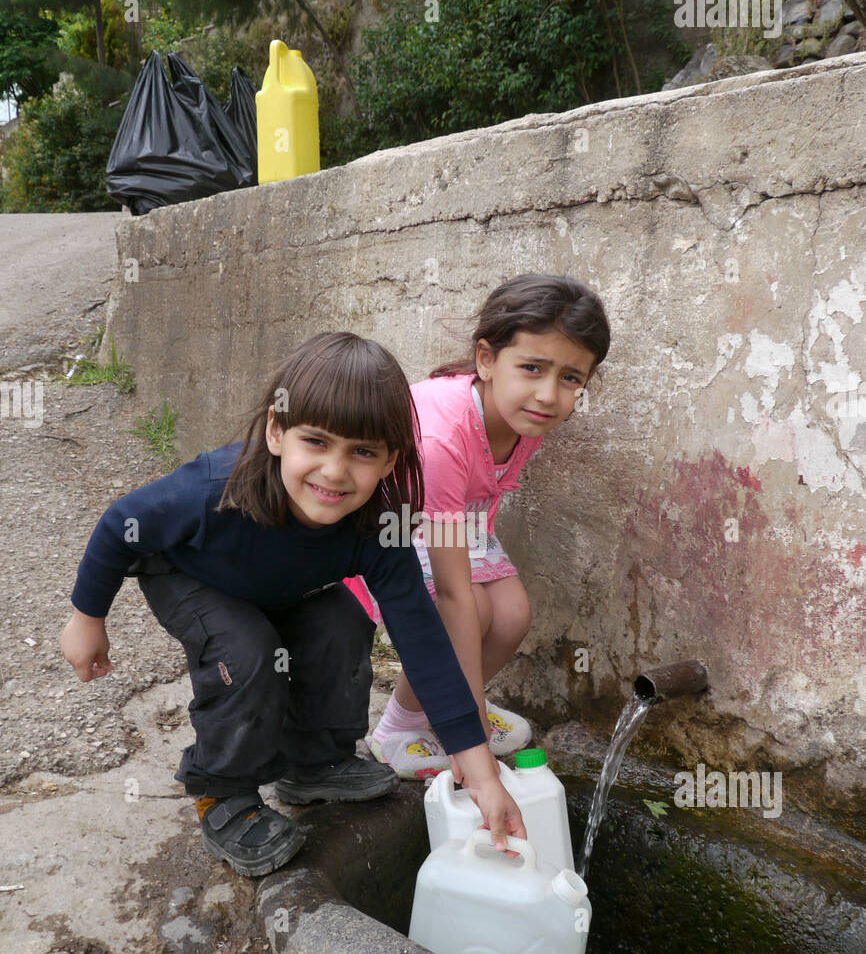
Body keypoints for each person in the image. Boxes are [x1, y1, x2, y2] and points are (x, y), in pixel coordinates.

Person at [60, 332, 527, 878]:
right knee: (247, 650)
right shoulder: (213, 489)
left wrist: (481, 772)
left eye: (363, 452)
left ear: (390, 460)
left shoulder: (381, 525)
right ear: (276, 431)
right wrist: (87, 618)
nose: (334, 471)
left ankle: (314, 763)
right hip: (191, 577)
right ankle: (223, 792)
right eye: (316, 442)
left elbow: (423, 639)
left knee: (343, 623)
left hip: (285, 585)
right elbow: (121, 525)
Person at [347, 273, 611, 778]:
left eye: (570, 378)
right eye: (532, 368)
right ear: (486, 359)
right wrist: (473, 739)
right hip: (389, 527)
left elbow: (478, 506)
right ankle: (401, 729)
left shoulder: (524, 415)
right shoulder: (440, 438)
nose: (548, 394)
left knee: (510, 614)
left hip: (451, 521)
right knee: (467, 613)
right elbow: (452, 595)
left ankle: (435, 711)